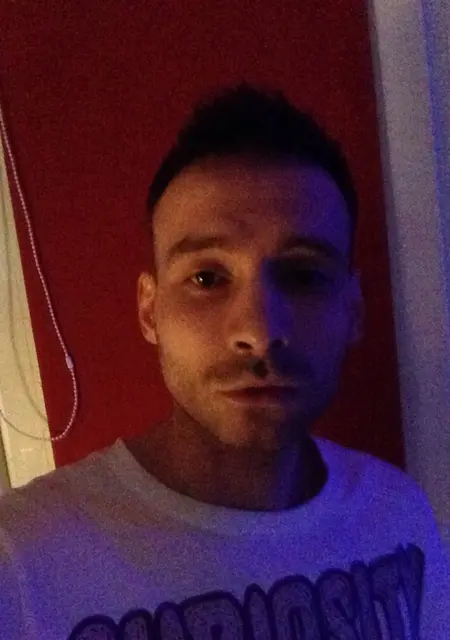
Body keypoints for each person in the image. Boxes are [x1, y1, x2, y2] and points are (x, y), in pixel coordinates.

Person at [0, 83, 448, 640]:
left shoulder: (399, 514)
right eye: (207, 278)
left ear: (353, 309)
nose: (258, 333)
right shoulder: (21, 561)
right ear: (150, 311)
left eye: (303, 275)